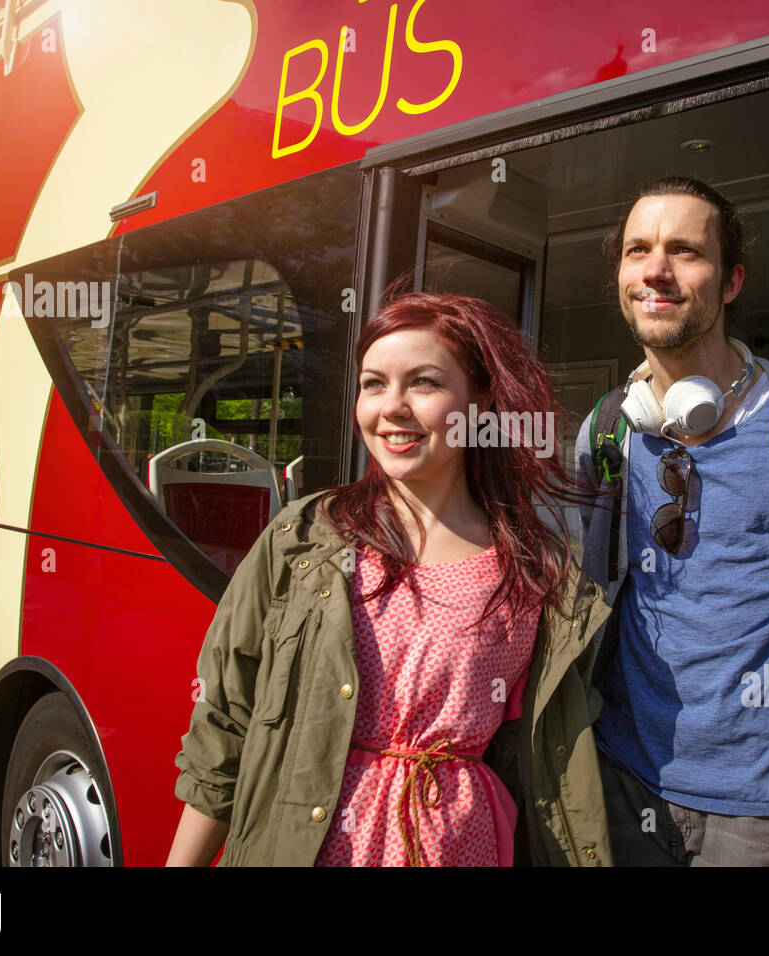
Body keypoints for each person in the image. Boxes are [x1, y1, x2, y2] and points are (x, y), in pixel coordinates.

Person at [167, 291, 614, 866]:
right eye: (373, 384)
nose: (392, 407)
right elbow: (225, 727)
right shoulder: (303, 539)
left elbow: (544, 765)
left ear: (479, 403)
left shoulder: (533, 568)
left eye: (424, 383)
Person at [575, 177, 769, 866]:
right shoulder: (605, 434)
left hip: (768, 813)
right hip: (622, 784)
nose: (655, 269)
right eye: (637, 250)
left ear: (731, 280)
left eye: (684, 250)